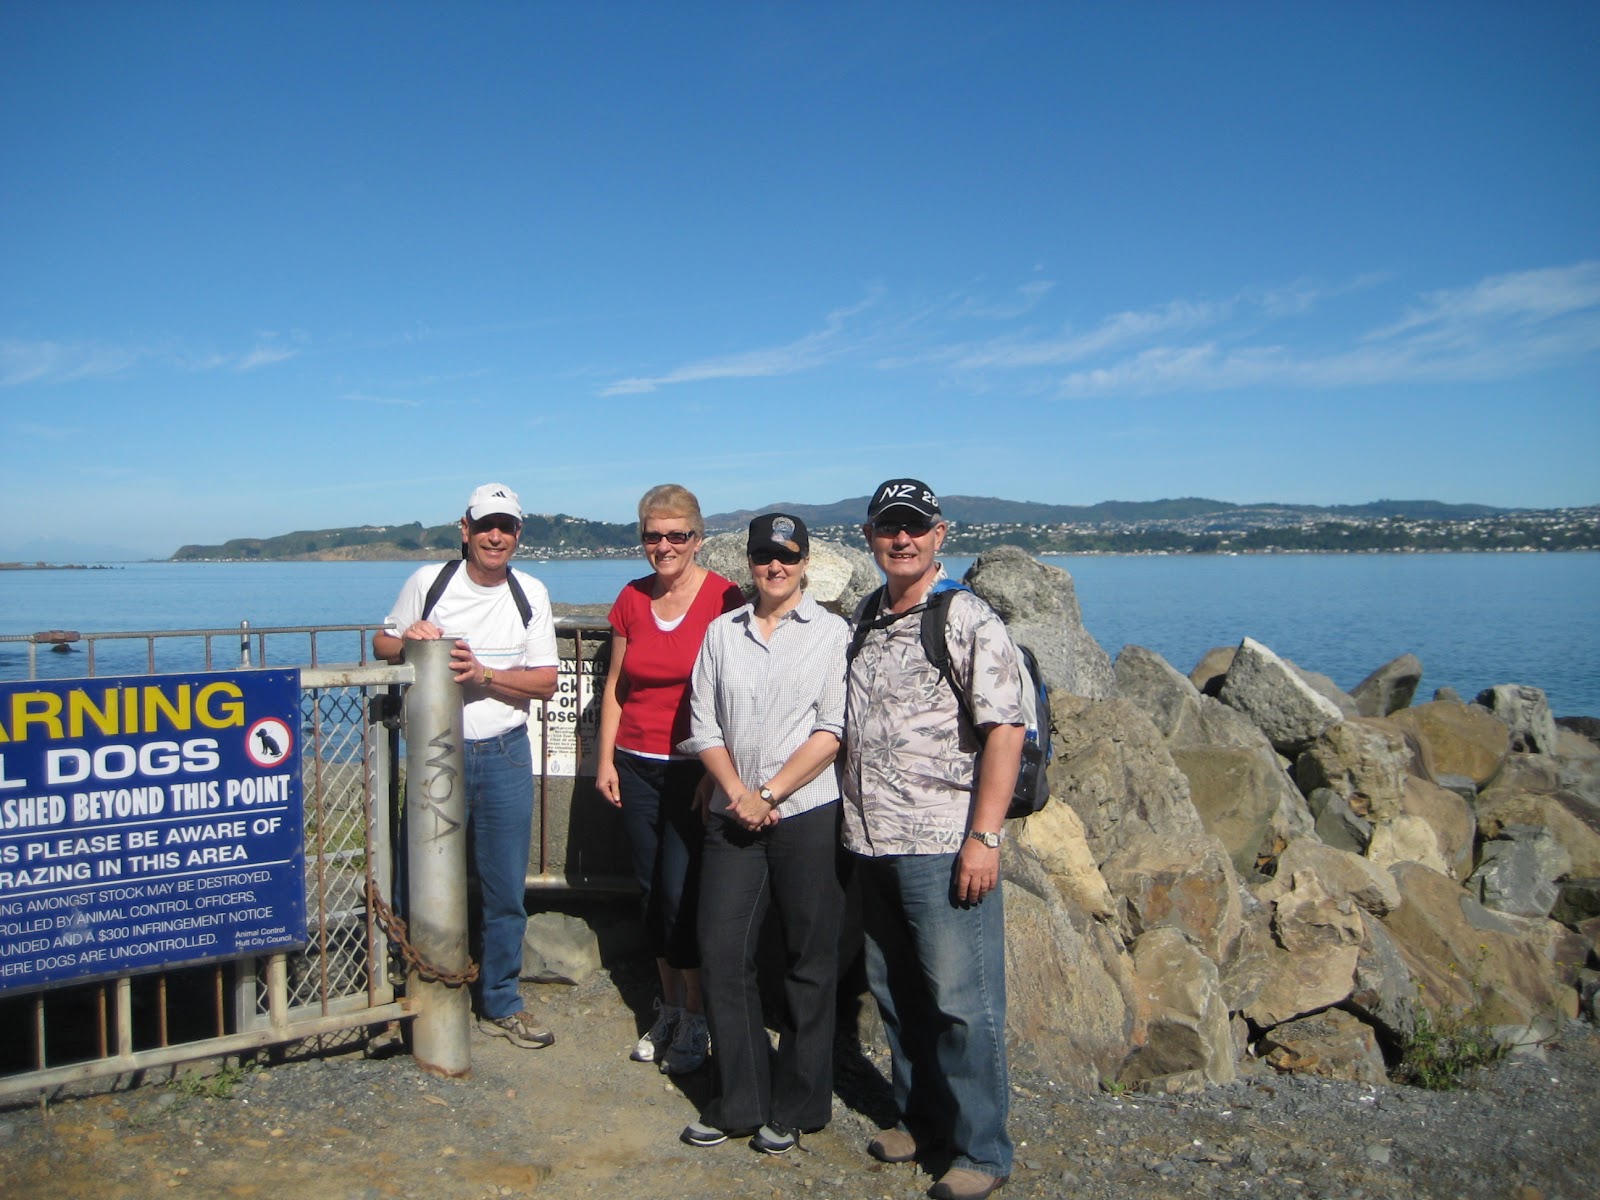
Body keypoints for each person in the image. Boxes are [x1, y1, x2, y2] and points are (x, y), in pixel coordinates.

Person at [839, 478, 1026, 1200]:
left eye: (915, 526)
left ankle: (982, 1151)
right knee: (898, 995)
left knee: (962, 1002)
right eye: (889, 527)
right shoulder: (867, 615)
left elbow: (1004, 730)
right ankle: (921, 1121)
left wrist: (985, 836)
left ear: (939, 534)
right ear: (870, 536)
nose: (902, 539)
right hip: (870, 841)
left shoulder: (968, 619)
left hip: (943, 842)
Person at [676, 514, 850, 1155]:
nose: (775, 566)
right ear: (748, 562)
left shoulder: (833, 634)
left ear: (805, 561)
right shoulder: (722, 633)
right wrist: (740, 795)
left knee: (809, 958)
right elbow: (703, 724)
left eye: (787, 555)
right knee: (722, 953)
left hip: (806, 813)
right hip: (733, 814)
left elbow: (833, 728)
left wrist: (771, 793)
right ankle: (740, 1098)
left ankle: (800, 1103)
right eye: (763, 556)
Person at [374, 482, 560, 1049]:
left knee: (505, 889)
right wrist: (408, 638)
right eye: (485, 526)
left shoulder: (530, 593)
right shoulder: (428, 584)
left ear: (518, 533)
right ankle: (415, 997)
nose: (495, 536)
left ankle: (501, 1001)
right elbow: (380, 644)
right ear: (465, 529)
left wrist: (485, 676)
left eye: (505, 526)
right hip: (435, 754)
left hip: (504, 753)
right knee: (416, 883)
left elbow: (547, 681)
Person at [595, 484, 744, 1074]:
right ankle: (670, 1007)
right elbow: (616, 686)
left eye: (677, 535)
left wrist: (720, 769)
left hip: (694, 770)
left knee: (685, 894)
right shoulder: (630, 599)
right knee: (652, 890)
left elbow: (736, 689)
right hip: (635, 763)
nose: (664, 546)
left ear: (697, 539)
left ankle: (698, 1013)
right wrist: (603, 760)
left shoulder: (722, 597)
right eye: (653, 536)